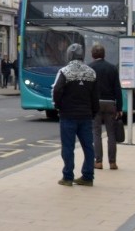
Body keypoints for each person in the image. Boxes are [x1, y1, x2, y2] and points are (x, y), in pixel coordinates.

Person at [52, 43, 99, 186]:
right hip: (85, 115)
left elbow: (57, 91)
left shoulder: (65, 72)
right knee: (88, 147)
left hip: (68, 115)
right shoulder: (91, 72)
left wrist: (59, 107)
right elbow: (95, 96)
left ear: (69, 55)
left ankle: (67, 177)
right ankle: (88, 176)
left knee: (68, 147)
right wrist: (93, 112)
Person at [89, 43, 123, 170]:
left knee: (96, 133)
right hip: (110, 104)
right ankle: (112, 162)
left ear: (92, 55)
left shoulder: (90, 68)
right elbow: (117, 89)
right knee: (111, 134)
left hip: (96, 103)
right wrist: (119, 107)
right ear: (104, 55)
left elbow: (88, 88)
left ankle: (98, 162)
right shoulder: (112, 68)